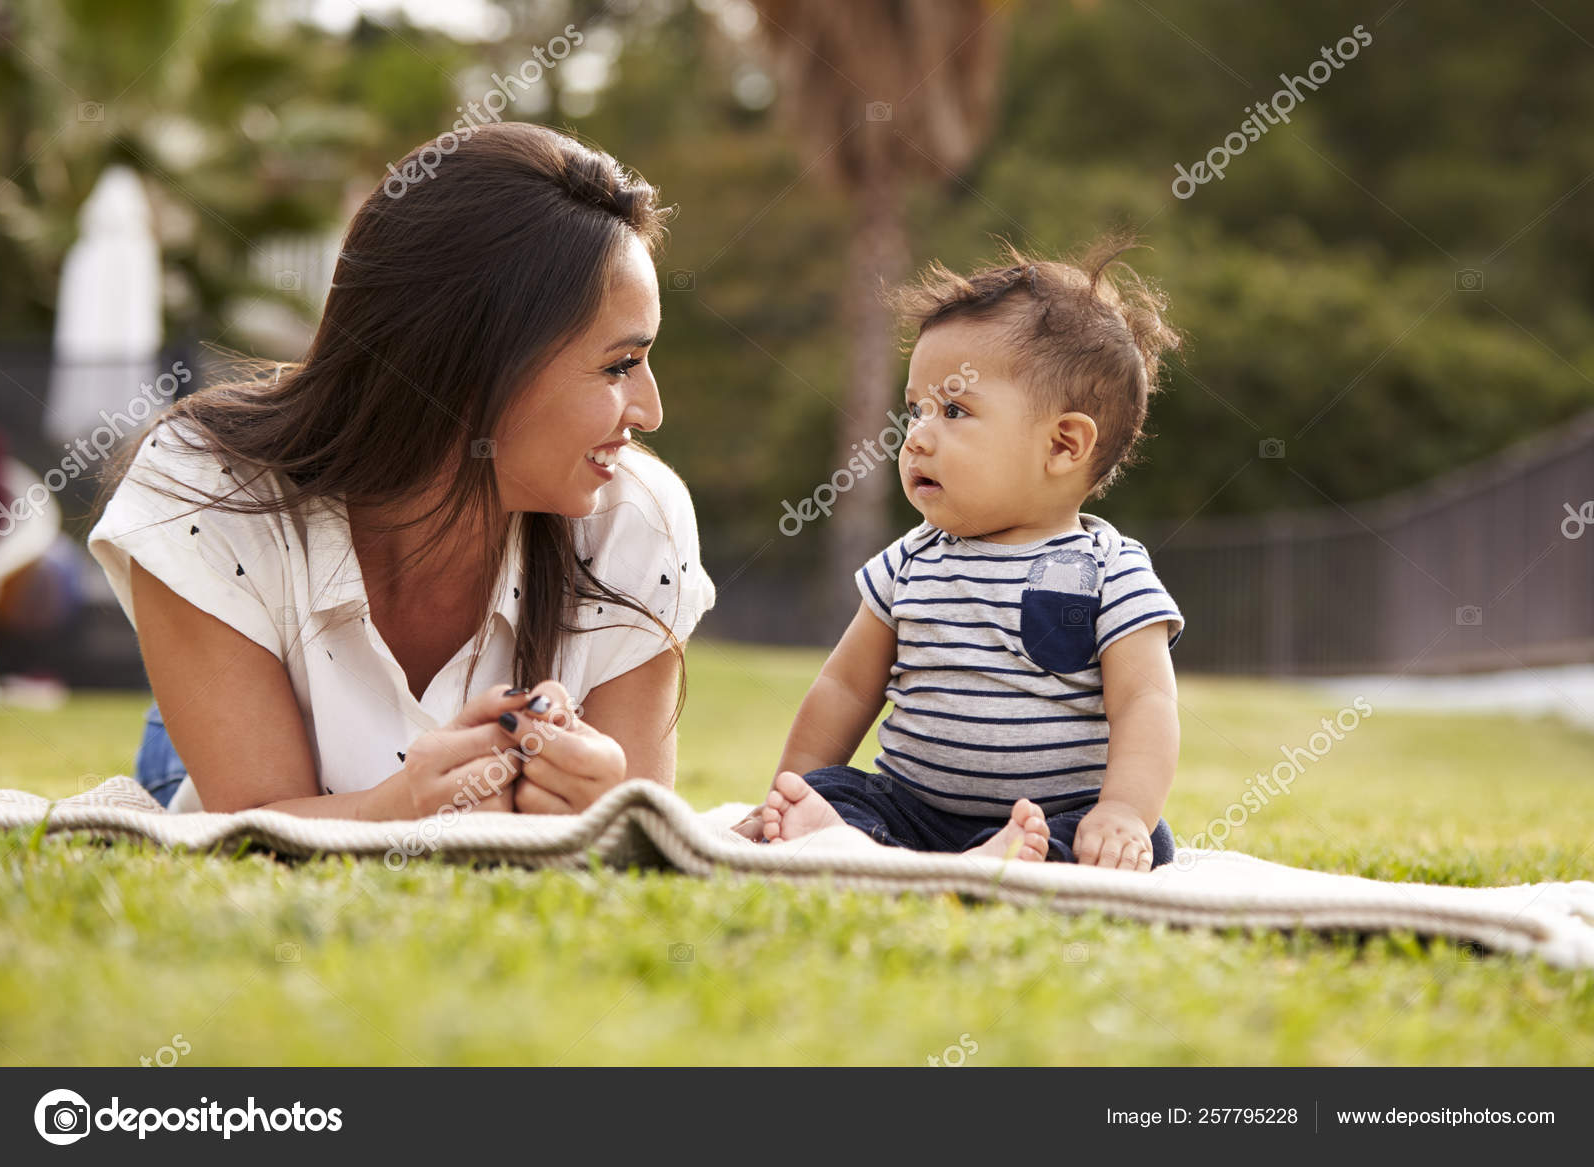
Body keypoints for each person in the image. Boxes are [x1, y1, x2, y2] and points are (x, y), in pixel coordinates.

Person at [88, 123, 714, 817]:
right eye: (619, 365)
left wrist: (605, 809)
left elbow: (646, 832)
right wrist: (402, 804)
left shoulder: (638, 519)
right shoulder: (206, 489)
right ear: (476, 360)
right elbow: (247, 825)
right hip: (232, 691)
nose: (651, 411)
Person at [758, 238, 1183, 870]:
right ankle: (838, 830)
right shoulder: (910, 561)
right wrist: (787, 790)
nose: (916, 438)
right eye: (915, 411)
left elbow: (1145, 702)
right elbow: (845, 687)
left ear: (1064, 445)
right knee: (835, 795)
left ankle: (1018, 852)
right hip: (911, 805)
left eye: (954, 410)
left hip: (1055, 809)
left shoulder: (1109, 570)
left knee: (1138, 841)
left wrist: (1122, 810)